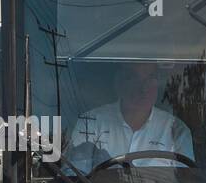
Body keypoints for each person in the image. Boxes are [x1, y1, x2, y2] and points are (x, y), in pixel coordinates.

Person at [66, 60, 194, 171]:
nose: (143, 88)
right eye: (134, 79)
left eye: (151, 79)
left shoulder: (176, 130)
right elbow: (74, 177)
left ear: (158, 84)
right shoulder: (90, 122)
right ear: (119, 84)